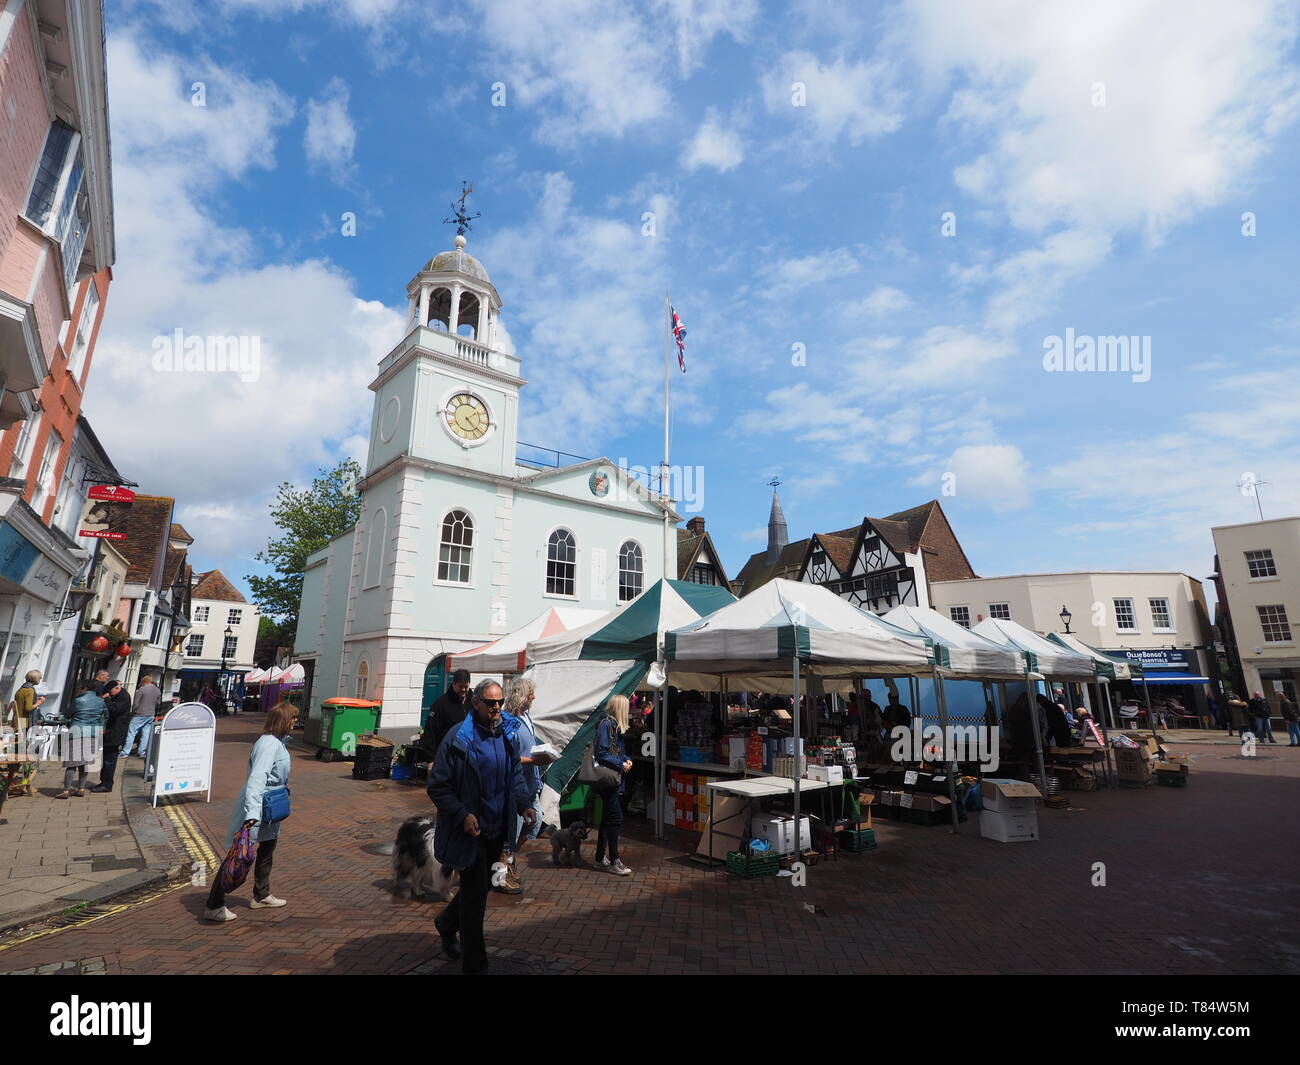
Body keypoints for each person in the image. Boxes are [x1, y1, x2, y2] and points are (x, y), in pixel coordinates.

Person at [427, 679, 534, 974]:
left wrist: (524, 804)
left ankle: (446, 922)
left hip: (498, 829)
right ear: (476, 704)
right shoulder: (459, 738)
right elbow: (438, 786)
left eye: (499, 702)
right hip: (470, 832)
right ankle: (476, 966)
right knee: (475, 902)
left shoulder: (505, 734)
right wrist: (462, 814)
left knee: (484, 885)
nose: (496, 708)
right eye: (490, 703)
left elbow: (514, 774)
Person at [204, 701, 296, 922]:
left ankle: (261, 895)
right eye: (293, 718)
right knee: (239, 853)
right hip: (260, 804)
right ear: (283, 720)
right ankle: (214, 904)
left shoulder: (278, 743)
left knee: (267, 848)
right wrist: (252, 814)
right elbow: (257, 779)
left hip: (272, 804)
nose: (295, 722)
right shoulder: (268, 744)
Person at [495, 676, 547, 894]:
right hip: (515, 784)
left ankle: (509, 860)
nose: (534, 697)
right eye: (531, 693)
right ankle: (500, 875)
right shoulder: (507, 721)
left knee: (536, 822)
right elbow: (508, 756)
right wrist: (533, 759)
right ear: (521, 695)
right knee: (511, 832)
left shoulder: (527, 717)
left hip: (529, 781)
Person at [592, 694, 633, 877]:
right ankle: (614, 859)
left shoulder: (614, 726)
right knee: (615, 819)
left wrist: (626, 759)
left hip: (614, 779)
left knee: (609, 818)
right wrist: (620, 763)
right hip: (608, 780)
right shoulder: (606, 725)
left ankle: (601, 857)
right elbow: (602, 753)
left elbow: (618, 750)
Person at [57, 682, 106, 798]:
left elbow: (68, 715)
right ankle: (81, 789)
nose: (78, 690)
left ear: (85, 688)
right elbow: (105, 715)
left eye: (79, 688)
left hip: (77, 733)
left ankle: (65, 791)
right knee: (84, 763)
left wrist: (62, 718)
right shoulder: (101, 701)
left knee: (71, 764)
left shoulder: (78, 700)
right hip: (92, 733)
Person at [7, 670, 45, 796]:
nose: (40, 679)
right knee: (22, 756)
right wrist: (39, 702)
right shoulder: (30, 690)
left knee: (17, 754)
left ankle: (14, 781)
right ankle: (20, 783)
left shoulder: (21, 689)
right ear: (36, 679)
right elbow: (28, 708)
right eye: (39, 678)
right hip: (24, 724)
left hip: (17, 723)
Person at [421, 669, 471, 762]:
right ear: (453, 684)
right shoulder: (440, 704)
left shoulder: (474, 702)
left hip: (469, 754)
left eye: (466, 686)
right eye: (460, 687)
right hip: (448, 754)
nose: (463, 690)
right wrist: (431, 759)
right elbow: (430, 732)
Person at [93, 680, 133, 792]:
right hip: (111, 732)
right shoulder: (118, 696)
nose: (109, 695)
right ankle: (104, 782)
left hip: (115, 733)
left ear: (116, 688)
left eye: (110, 692)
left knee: (109, 760)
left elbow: (115, 711)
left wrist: (106, 699)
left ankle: (106, 784)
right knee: (106, 758)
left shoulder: (124, 697)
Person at [123, 673, 161, 764]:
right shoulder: (157, 690)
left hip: (140, 714)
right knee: (146, 734)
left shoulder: (141, 689)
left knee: (132, 732)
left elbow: (136, 703)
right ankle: (141, 752)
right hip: (151, 714)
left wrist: (135, 711)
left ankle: (125, 753)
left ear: (144, 682)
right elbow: (158, 703)